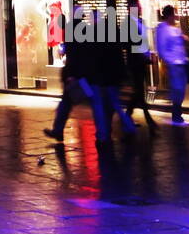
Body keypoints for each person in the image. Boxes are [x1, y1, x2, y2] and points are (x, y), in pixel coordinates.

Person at [44, 10, 96, 146]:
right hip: (83, 74)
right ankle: (58, 130)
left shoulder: (72, 30)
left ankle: (58, 130)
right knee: (90, 101)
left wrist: (70, 74)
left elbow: (72, 54)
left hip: (76, 74)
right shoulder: (85, 30)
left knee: (68, 103)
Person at [88, 9, 136, 145]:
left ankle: (103, 134)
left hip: (101, 76)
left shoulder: (94, 34)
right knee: (114, 104)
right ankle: (127, 126)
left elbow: (95, 58)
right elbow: (119, 53)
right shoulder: (112, 30)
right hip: (113, 75)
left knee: (100, 105)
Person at [123, 0, 158, 132]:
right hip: (135, 62)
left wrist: (148, 54)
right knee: (138, 91)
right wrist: (142, 55)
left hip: (141, 60)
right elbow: (129, 45)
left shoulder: (140, 22)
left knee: (138, 92)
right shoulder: (128, 24)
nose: (140, 8)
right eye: (137, 6)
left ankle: (127, 116)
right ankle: (148, 119)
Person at [155, 5, 189, 125]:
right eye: (174, 14)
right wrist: (170, 61)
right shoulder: (163, 29)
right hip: (174, 64)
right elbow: (162, 48)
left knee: (181, 89)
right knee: (178, 89)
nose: (176, 16)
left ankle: (178, 115)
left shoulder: (173, 28)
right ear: (169, 15)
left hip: (181, 62)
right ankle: (176, 116)